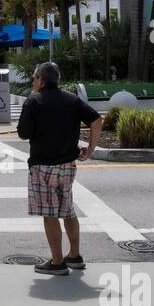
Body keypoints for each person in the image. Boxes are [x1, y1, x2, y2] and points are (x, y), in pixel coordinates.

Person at [16, 61, 104, 276]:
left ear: (41, 80)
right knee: (68, 211)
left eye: (34, 78)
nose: (33, 81)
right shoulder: (72, 100)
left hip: (42, 166)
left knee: (49, 214)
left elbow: (23, 133)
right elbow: (97, 120)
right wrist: (90, 148)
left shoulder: (33, 101)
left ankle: (57, 261)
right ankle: (74, 254)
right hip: (67, 164)